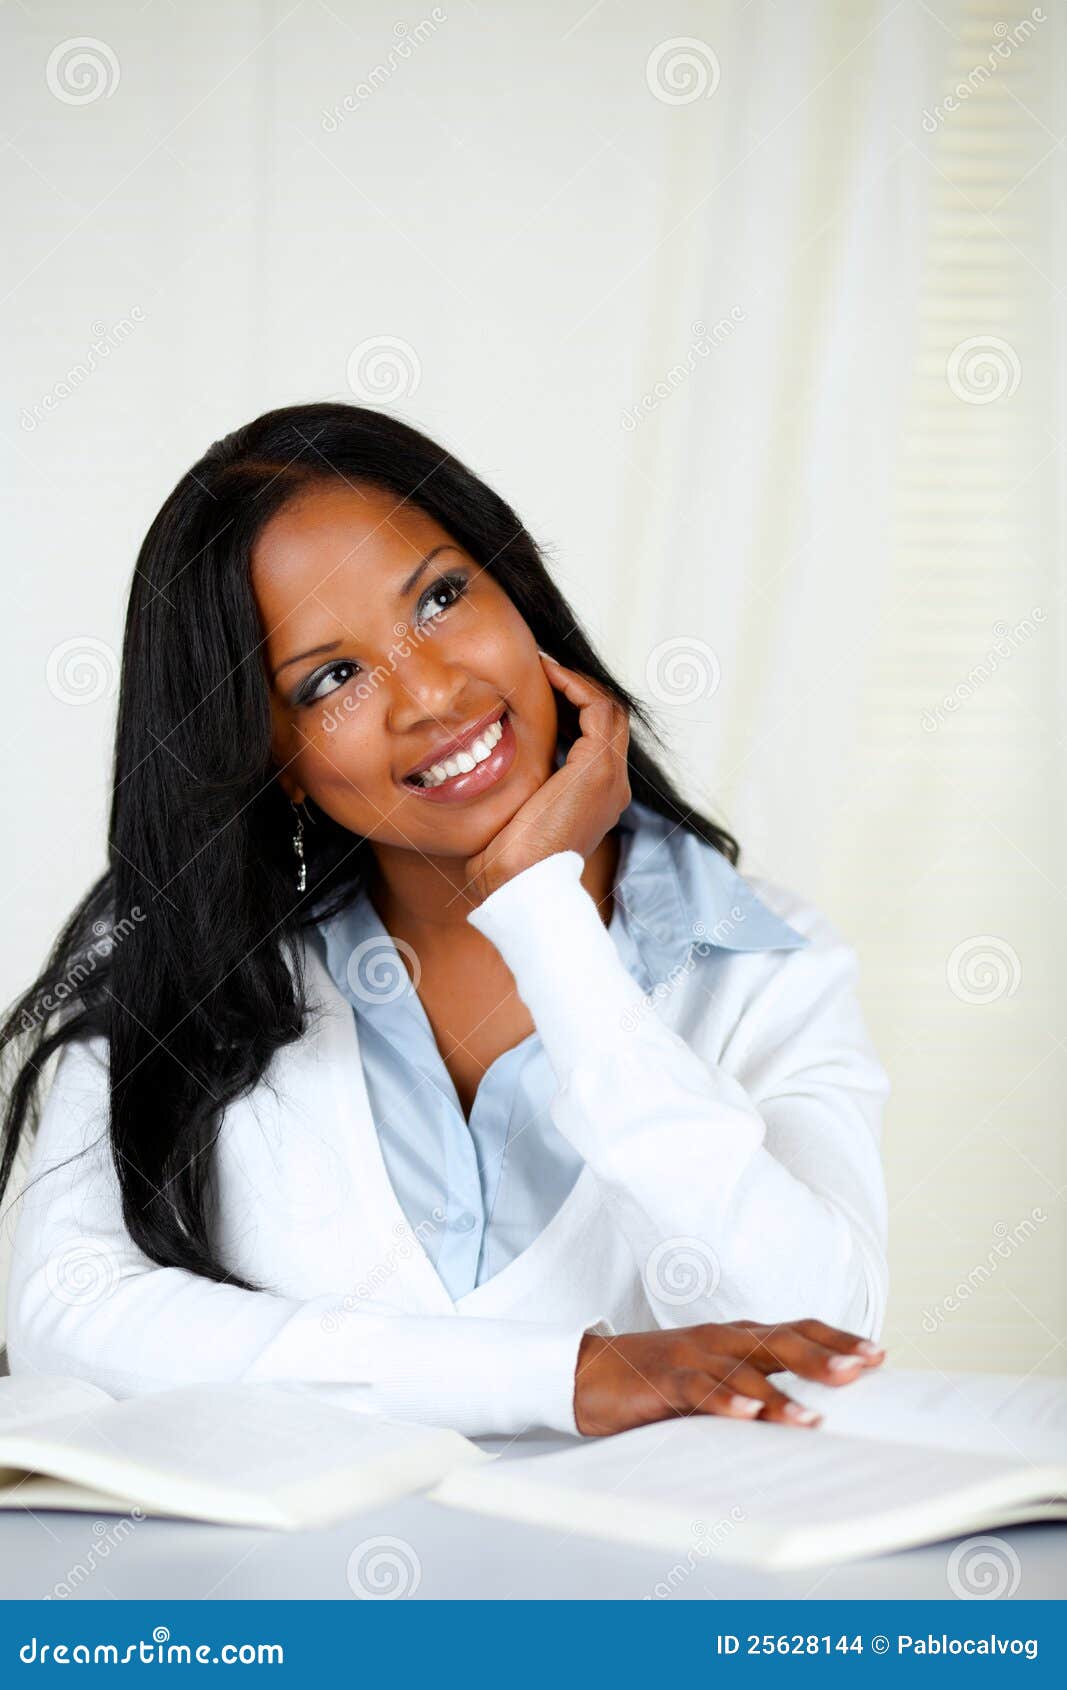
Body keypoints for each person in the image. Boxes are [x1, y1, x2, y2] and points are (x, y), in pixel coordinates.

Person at [0, 403, 890, 1439]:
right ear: (268, 753)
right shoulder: (173, 955)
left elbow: (819, 1334)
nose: (428, 694)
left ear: (515, 591)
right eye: (330, 678)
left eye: (438, 598)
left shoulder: (761, 959)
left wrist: (543, 920)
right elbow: (67, 1314)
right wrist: (564, 1376)